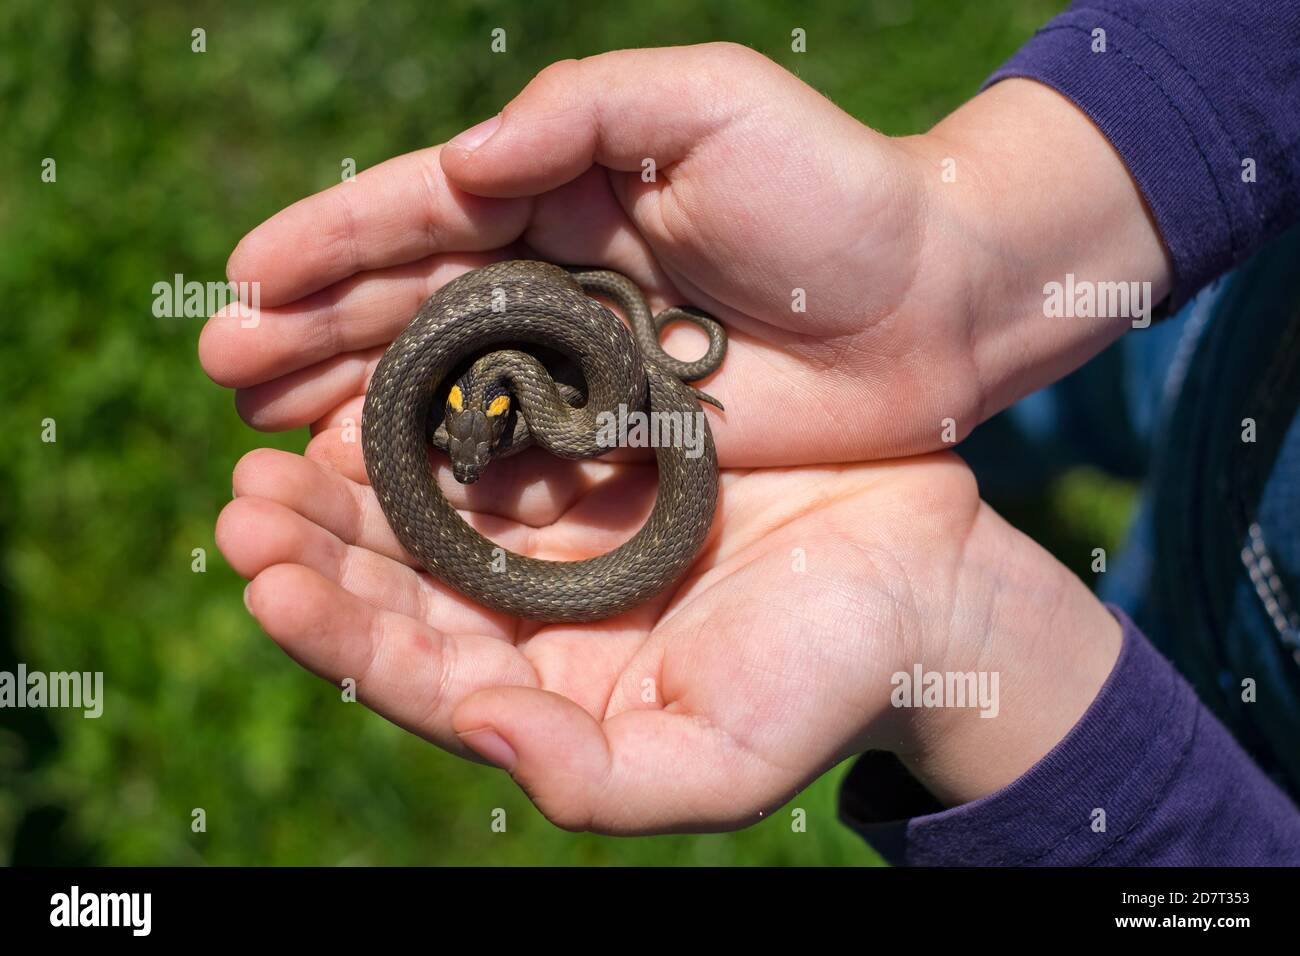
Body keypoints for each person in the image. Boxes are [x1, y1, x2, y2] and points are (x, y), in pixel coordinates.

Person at [199, 1, 1300, 864]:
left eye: (475, 443)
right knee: (1058, 388)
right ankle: (989, 429)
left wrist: (997, 669)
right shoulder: (507, 384)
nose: (471, 469)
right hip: (1224, 314)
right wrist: (981, 250)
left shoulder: (566, 389)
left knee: (1127, 539)